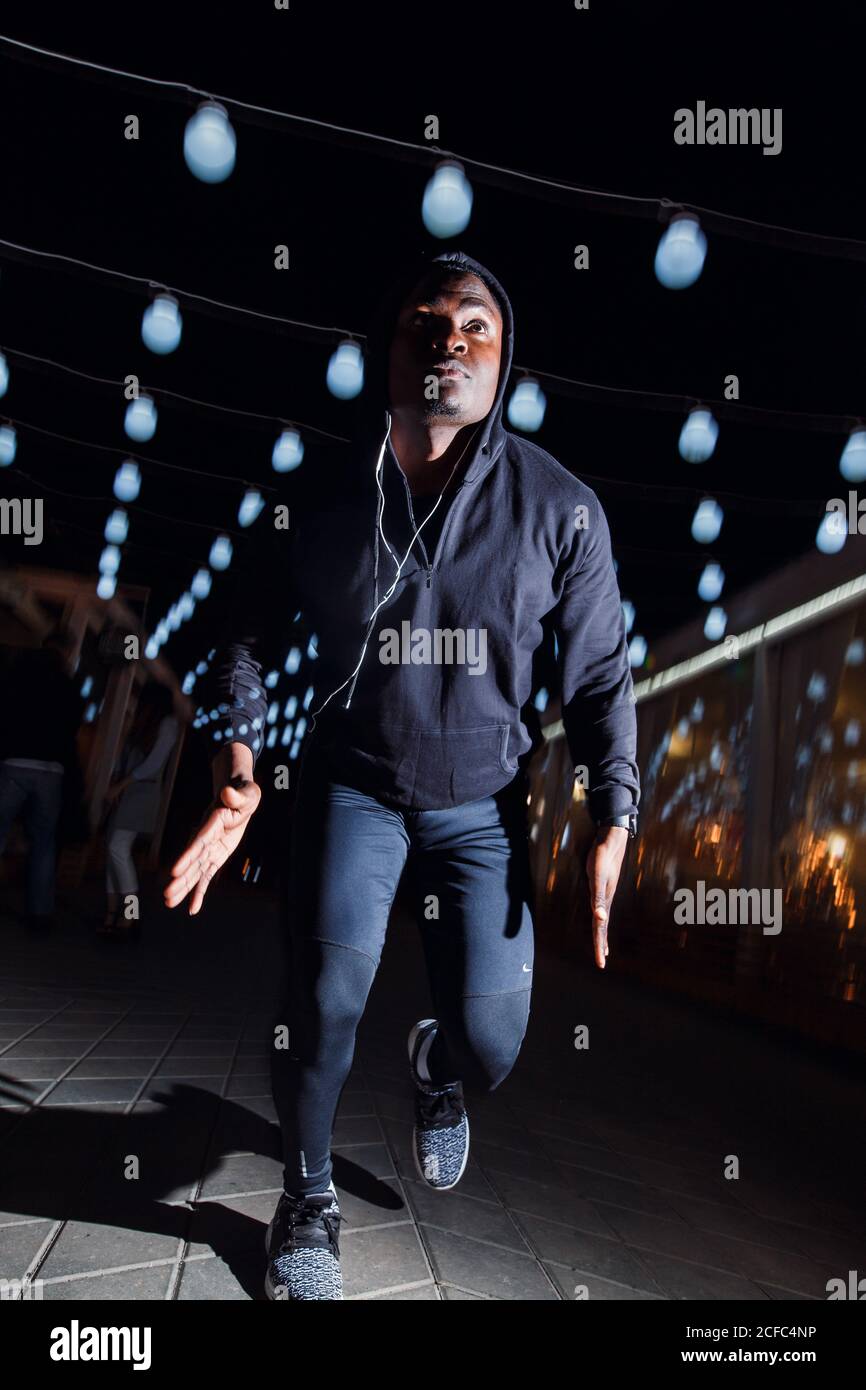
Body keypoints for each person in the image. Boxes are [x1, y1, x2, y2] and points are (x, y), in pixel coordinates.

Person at [164, 249, 640, 1301]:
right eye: (424, 320)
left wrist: (616, 803)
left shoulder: (557, 508)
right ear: (386, 350)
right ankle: (308, 1194)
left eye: (475, 324)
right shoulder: (318, 495)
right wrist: (238, 765)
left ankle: (434, 1071)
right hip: (355, 785)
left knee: (493, 1043)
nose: (449, 338)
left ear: (502, 359)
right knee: (324, 999)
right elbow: (240, 632)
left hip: (482, 805)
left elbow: (600, 671)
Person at [0, 626, 83, 930]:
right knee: (44, 842)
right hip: (51, 769)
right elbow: (74, 724)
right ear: (65, 652)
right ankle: (39, 913)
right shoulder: (69, 683)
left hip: (14, 761)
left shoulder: (18, 674)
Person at [99, 681, 179, 940]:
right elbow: (125, 755)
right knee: (113, 848)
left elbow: (154, 764)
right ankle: (113, 914)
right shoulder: (142, 721)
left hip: (142, 790)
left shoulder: (167, 724)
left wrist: (120, 784)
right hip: (128, 789)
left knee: (117, 848)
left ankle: (130, 916)